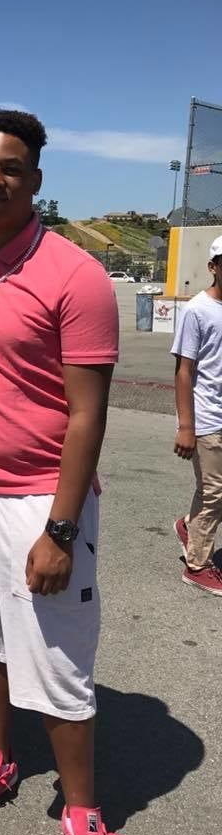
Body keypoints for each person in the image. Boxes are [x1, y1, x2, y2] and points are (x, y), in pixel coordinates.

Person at [0, 110, 126, 835]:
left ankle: (84, 816)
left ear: (36, 180)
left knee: (58, 663)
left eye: (11, 167)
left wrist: (61, 528)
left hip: (39, 501)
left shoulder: (77, 276)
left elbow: (88, 415)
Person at [171, 235, 222, 595]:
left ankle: (190, 526)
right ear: (213, 266)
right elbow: (184, 371)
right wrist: (186, 426)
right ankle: (198, 565)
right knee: (214, 492)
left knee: (215, 491)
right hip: (207, 418)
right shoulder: (197, 310)